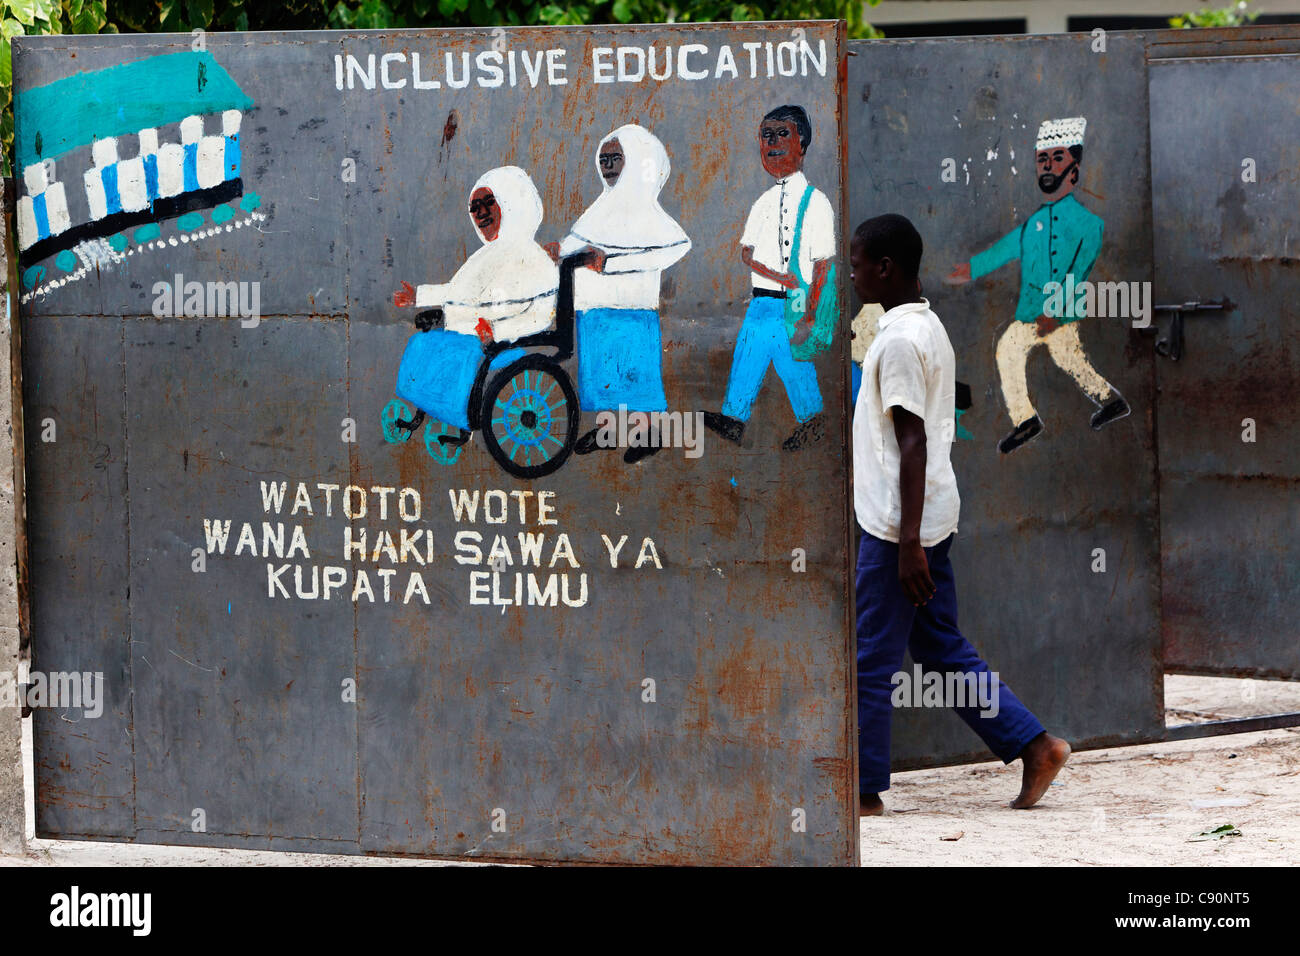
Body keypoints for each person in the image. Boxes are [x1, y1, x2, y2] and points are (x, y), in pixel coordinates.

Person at [851, 213, 1071, 815]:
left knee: (872, 652)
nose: (852, 274)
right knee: (938, 644)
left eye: (858, 263)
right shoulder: (928, 327)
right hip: (931, 518)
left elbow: (913, 442)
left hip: (900, 526)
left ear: (885, 267)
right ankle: (1036, 746)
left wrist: (907, 545)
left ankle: (863, 792)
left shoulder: (897, 340)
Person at [946, 117, 1129, 454]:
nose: (1048, 166)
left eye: (1057, 158)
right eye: (1042, 159)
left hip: (1059, 311)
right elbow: (1005, 249)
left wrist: (1056, 313)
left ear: (1074, 167)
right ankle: (1026, 420)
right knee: (1011, 349)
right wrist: (972, 268)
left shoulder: (1090, 225)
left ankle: (1109, 400)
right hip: (1032, 312)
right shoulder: (1034, 223)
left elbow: (1078, 273)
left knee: (1069, 359)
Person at [548, 123, 691, 464]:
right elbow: (578, 241)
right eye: (606, 159)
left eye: (617, 158)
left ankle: (649, 432)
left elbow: (672, 250)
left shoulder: (651, 215)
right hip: (594, 309)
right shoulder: (601, 208)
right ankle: (608, 430)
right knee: (601, 373)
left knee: (636, 373)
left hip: (632, 309)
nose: (610, 166)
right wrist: (559, 250)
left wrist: (611, 263)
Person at [391, 165, 558, 437]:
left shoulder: (535, 259)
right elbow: (456, 293)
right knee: (423, 343)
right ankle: (428, 411)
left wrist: (499, 332)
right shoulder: (486, 256)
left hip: (500, 341)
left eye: (489, 203)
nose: (480, 213)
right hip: (470, 334)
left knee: (456, 354)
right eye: (475, 207)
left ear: (512, 202)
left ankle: (458, 420)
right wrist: (418, 296)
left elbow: (540, 316)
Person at [704, 104, 833, 451]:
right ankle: (734, 418)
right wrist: (774, 274)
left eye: (782, 135)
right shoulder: (762, 203)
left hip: (793, 300)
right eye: (766, 136)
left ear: (802, 143)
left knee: (793, 359)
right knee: (749, 352)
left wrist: (812, 311)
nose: (772, 144)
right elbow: (746, 254)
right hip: (762, 298)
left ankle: (811, 419)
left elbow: (823, 264)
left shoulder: (816, 202)